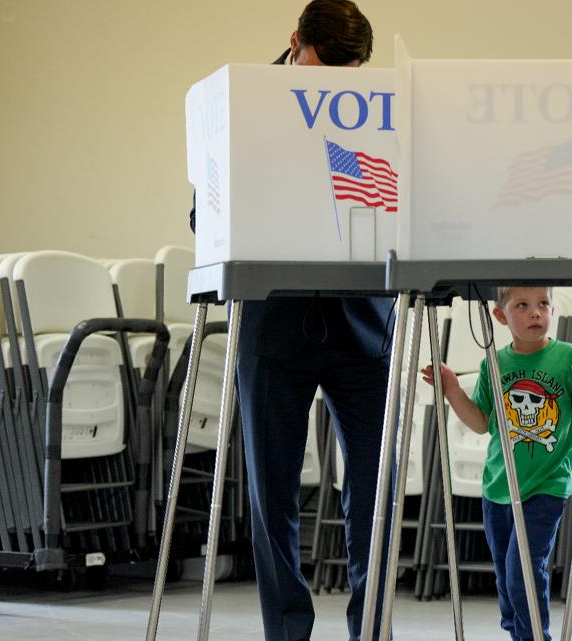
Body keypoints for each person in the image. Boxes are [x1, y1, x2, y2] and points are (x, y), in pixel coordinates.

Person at [188, 3, 393, 640]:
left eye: (348, 72)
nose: (334, 84)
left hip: (365, 323)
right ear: (294, 43)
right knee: (273, 494)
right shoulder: (240, 106)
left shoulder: (385, 107)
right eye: (322, 66)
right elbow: (204, 220)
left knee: (375, 494)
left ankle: (370, 628)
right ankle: (288, 632)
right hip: (274, 324)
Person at [422, 287, 572, 641]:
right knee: (505, 575)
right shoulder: (494, 362)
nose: (536, 313)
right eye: (523, 305)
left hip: (545, 486)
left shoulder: (567, 357)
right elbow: (481, 422)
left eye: (543, 304)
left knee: (523, 571)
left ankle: (535, 635)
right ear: (501, 316)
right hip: (498, 487)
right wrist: (453, 390)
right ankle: (517, 633)